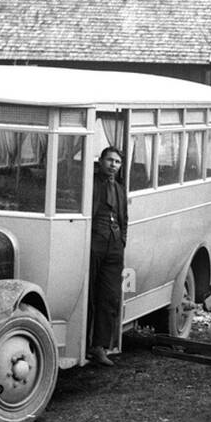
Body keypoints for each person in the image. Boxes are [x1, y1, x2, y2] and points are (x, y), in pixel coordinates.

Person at [88, 146, 127, 367]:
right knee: (90, 295)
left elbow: (124, 218)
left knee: (110, 296)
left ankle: (100, 347)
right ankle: (84, 343)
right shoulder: (90, 184)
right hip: (94, 243)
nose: (113, 164)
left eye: (117, 162)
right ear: (100, 161)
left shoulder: (120, 189)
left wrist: (121, 242)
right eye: (109, 160)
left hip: (114, 246)